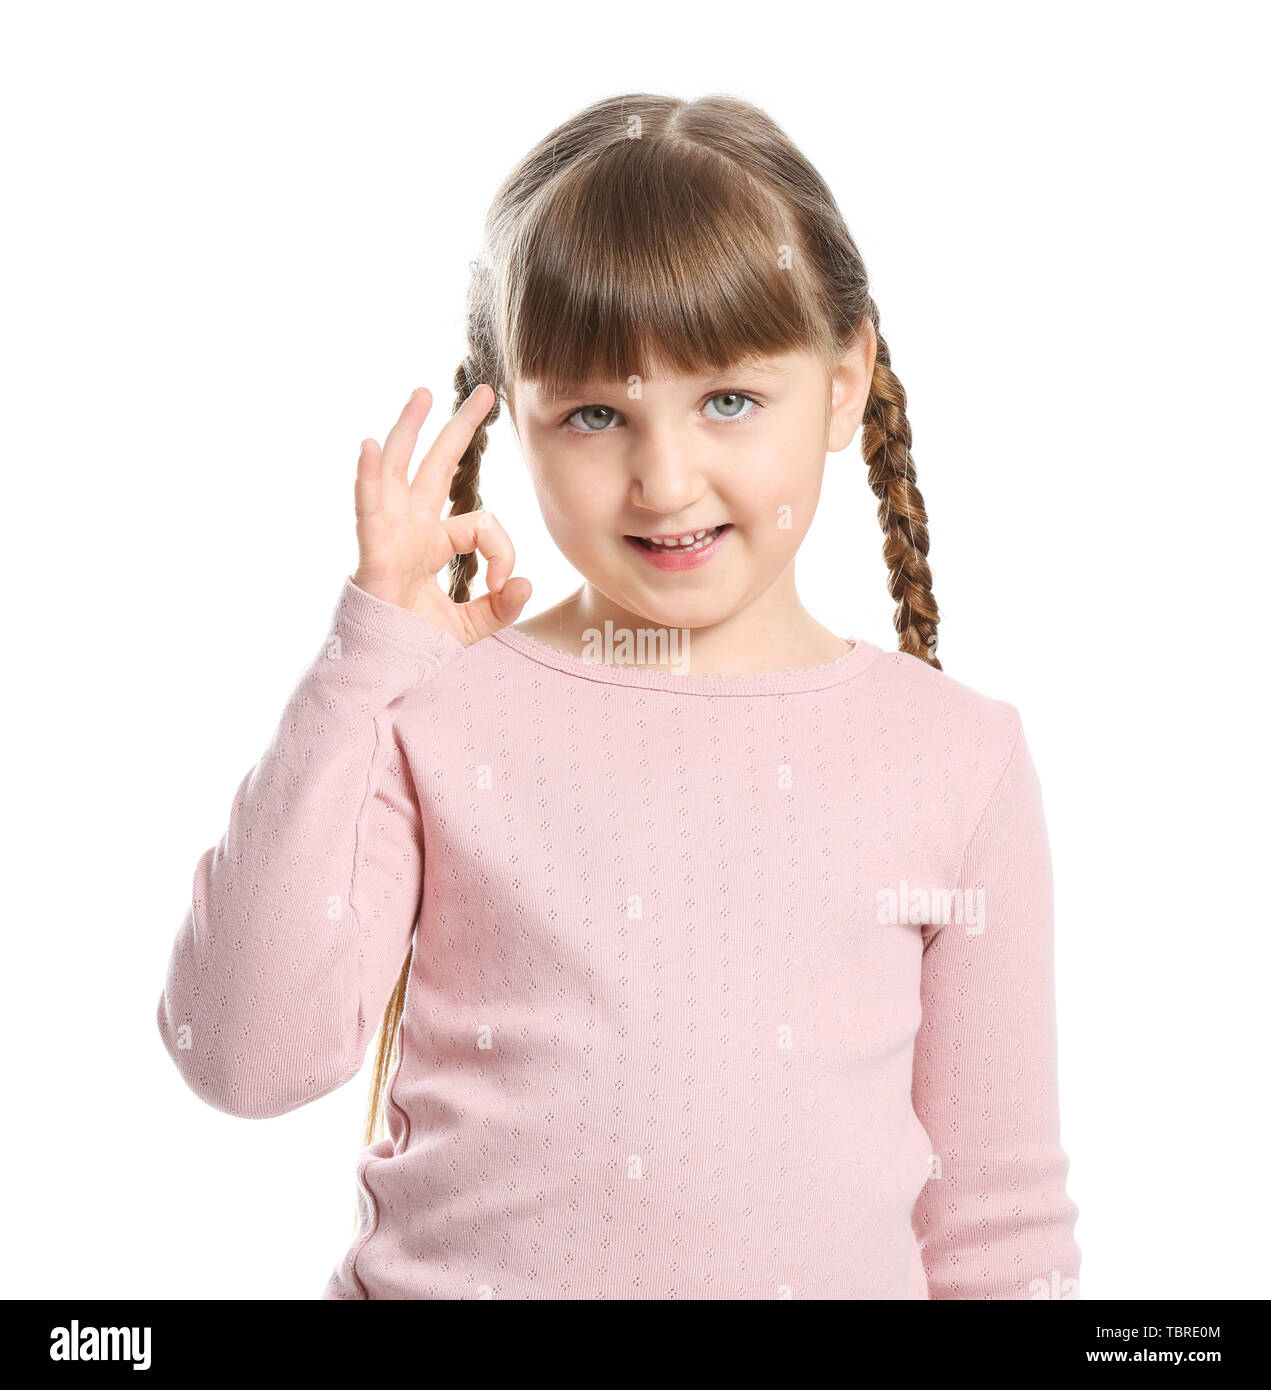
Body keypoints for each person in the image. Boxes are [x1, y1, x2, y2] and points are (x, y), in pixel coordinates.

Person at [156, 90, 1081, 1300]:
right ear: (512, 413)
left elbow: (995, 1223)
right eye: (594, 413)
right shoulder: (434, 712)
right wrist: (368, 657)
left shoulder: (958, 757)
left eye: (729, 400)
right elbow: (239, 1053)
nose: (661, 475)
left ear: (844, 378)